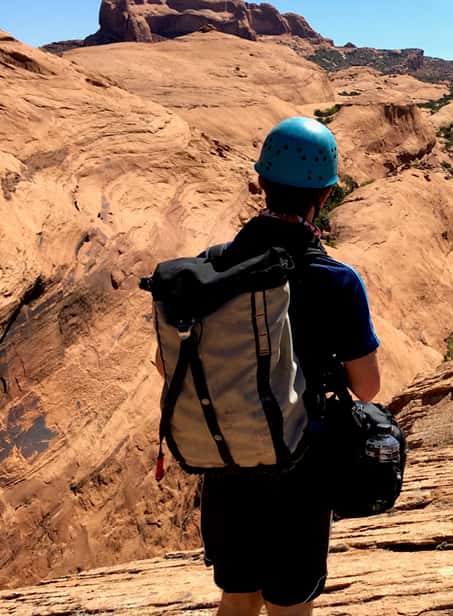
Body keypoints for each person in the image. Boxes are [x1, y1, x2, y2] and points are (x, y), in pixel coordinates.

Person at [157, 118, 381, 616]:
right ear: (325, 195)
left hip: (225, 460)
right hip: (299, 465)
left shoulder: (210, 269)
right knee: (289, 603)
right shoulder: (336, 281)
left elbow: (165, 363)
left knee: (236, 597)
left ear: (261, 183)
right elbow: (367, 387)